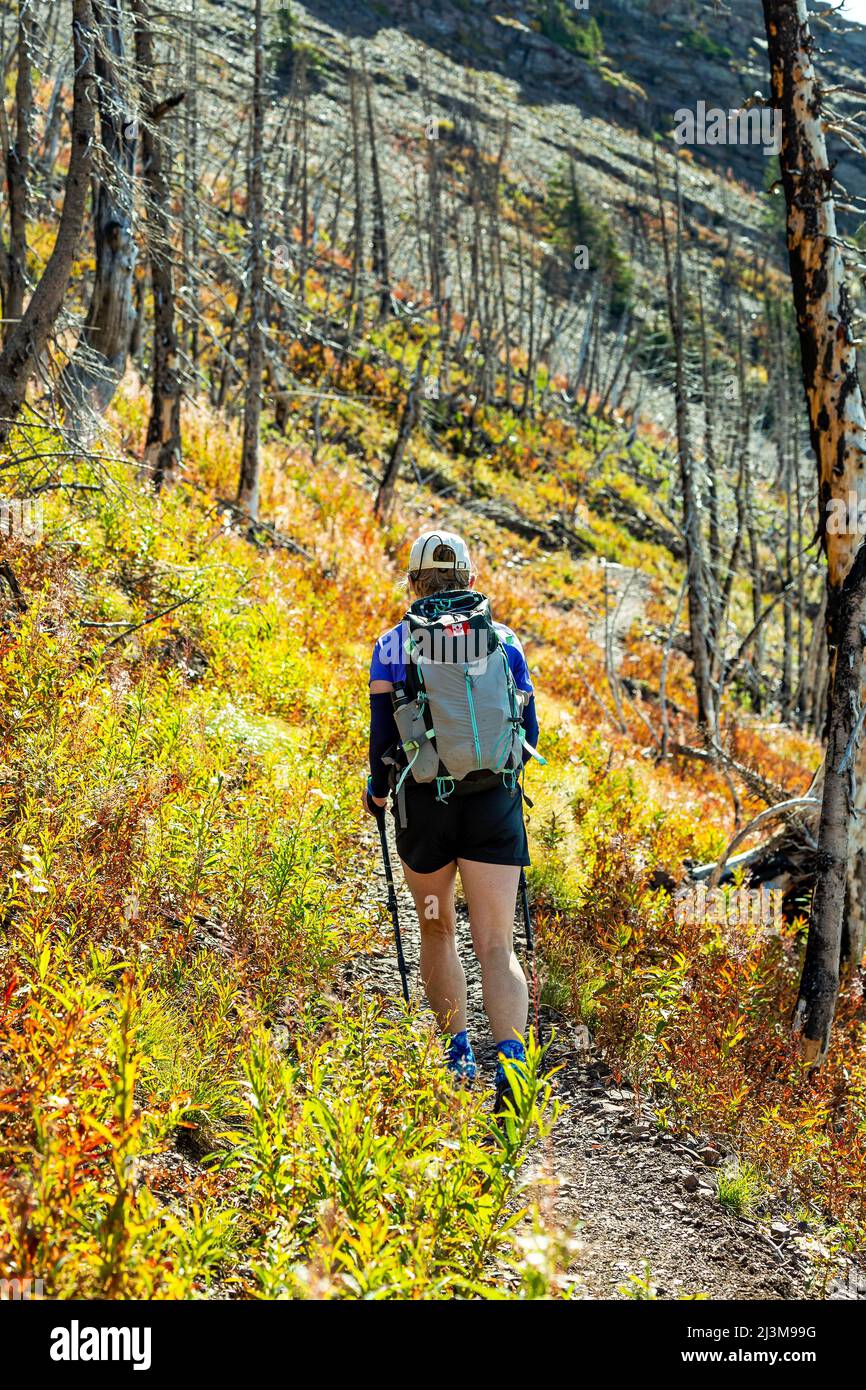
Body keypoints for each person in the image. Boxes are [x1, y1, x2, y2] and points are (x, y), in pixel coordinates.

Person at [363, 529, 540, 1112]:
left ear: (414, 583)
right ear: (468, 577)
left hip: (426, 818)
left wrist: (378, 793)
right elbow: (528, 735)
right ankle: (513, 1072)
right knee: (496, 943)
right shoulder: (504, 640)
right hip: (494, 808)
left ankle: (457, 1059)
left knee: (437, 928)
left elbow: (385, 742)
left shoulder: (392, 645)